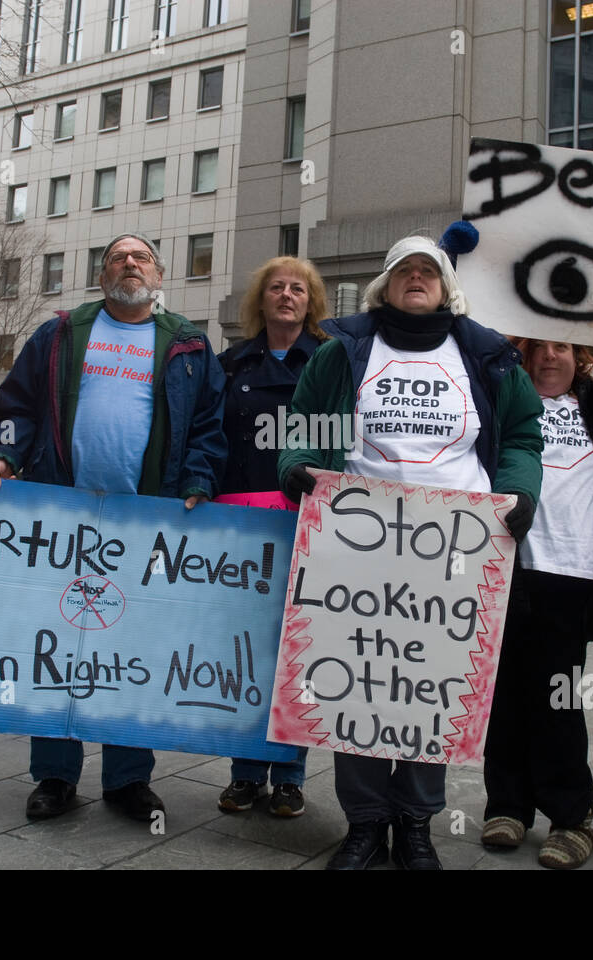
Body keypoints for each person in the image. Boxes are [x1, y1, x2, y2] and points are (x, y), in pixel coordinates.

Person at [278, 232, 544, 870]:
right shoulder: (344, 352)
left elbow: (522, 437)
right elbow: (304, 425)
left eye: (429, 271)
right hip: (357, 546)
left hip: (457, 551)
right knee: (358, 685)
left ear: (446, 287)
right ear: (386, 285)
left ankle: (416, 825)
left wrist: (517, 496)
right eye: (404, 271)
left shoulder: (488, 357)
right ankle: (366, 823)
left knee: (433, 687)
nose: (416, 279)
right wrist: (299, 469)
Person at [0, 233, 226, 825]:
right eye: (117, 257)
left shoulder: (189, 345)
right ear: (102, 275)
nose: (129, 264)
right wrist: (5, 454)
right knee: (58, 645)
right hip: (63, 514)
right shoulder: (59, 334)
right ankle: (55, 776)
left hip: (145, 519)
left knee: (130, 649)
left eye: (140, 257)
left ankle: (127, 780)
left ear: (158, 274)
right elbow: (16, 407)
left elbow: (208, 427)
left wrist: (198, 479)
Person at [480, 338, 593, 869]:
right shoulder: (504, 400)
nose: (549, 357)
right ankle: (508, 805)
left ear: (578, 356)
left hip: (575, 573)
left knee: (557, 698)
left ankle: (571, 816)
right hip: (511, 570)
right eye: (537, 348)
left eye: (560, 348)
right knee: (504, 695)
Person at [215, 256, 328, 817]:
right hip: (243, 519)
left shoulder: (331, 362)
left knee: (299, 649)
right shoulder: (231, 362)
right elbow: (211, 436)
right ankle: (243, 773)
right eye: (277, 288)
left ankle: (288, 774)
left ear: (312, 302)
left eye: (298, 289)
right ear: (260, 301)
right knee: (246, 649)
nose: (287, 295)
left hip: (308, 520)